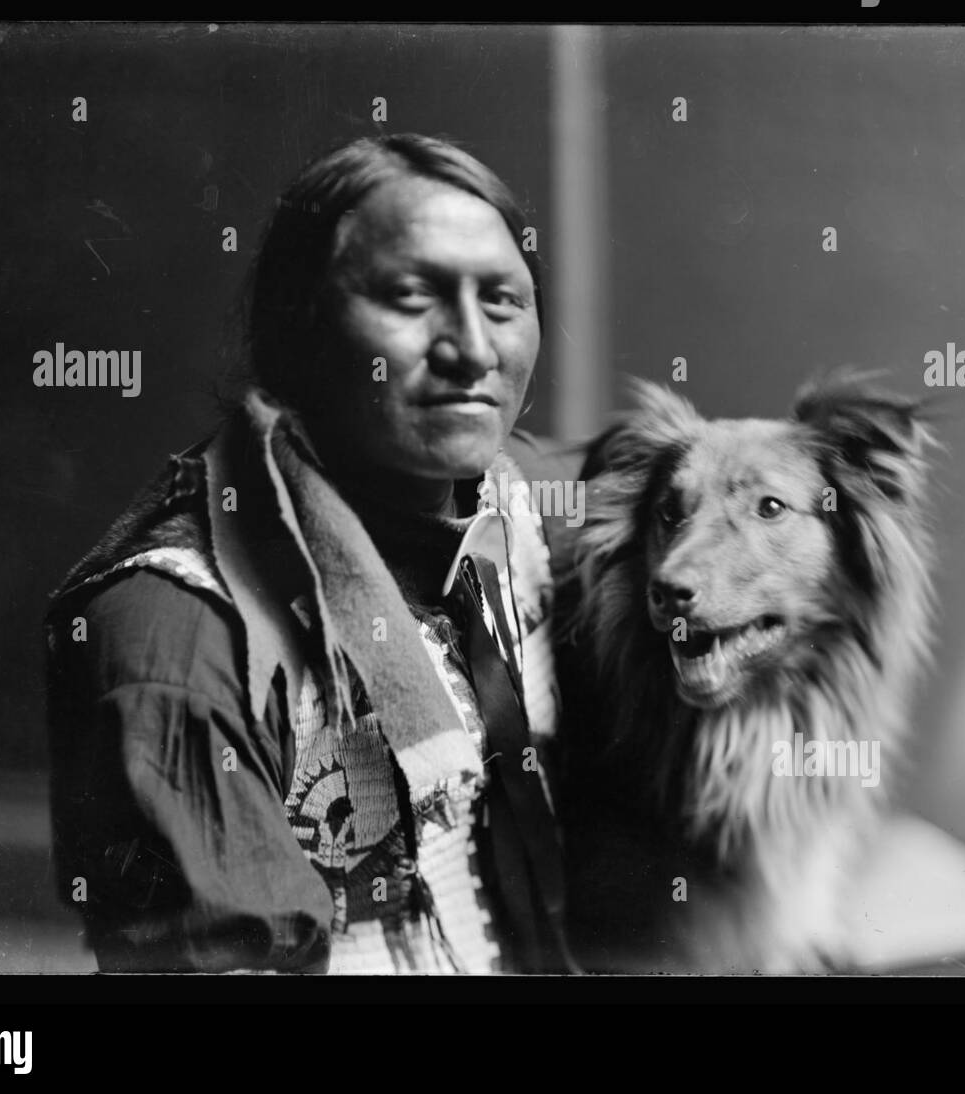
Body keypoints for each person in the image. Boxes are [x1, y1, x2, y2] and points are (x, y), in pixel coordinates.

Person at [45, 133, 581, 974]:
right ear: (300, 327)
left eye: (504, 302)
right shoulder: (181, 633)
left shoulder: (533, 508)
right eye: (413, 297)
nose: (474, 349)